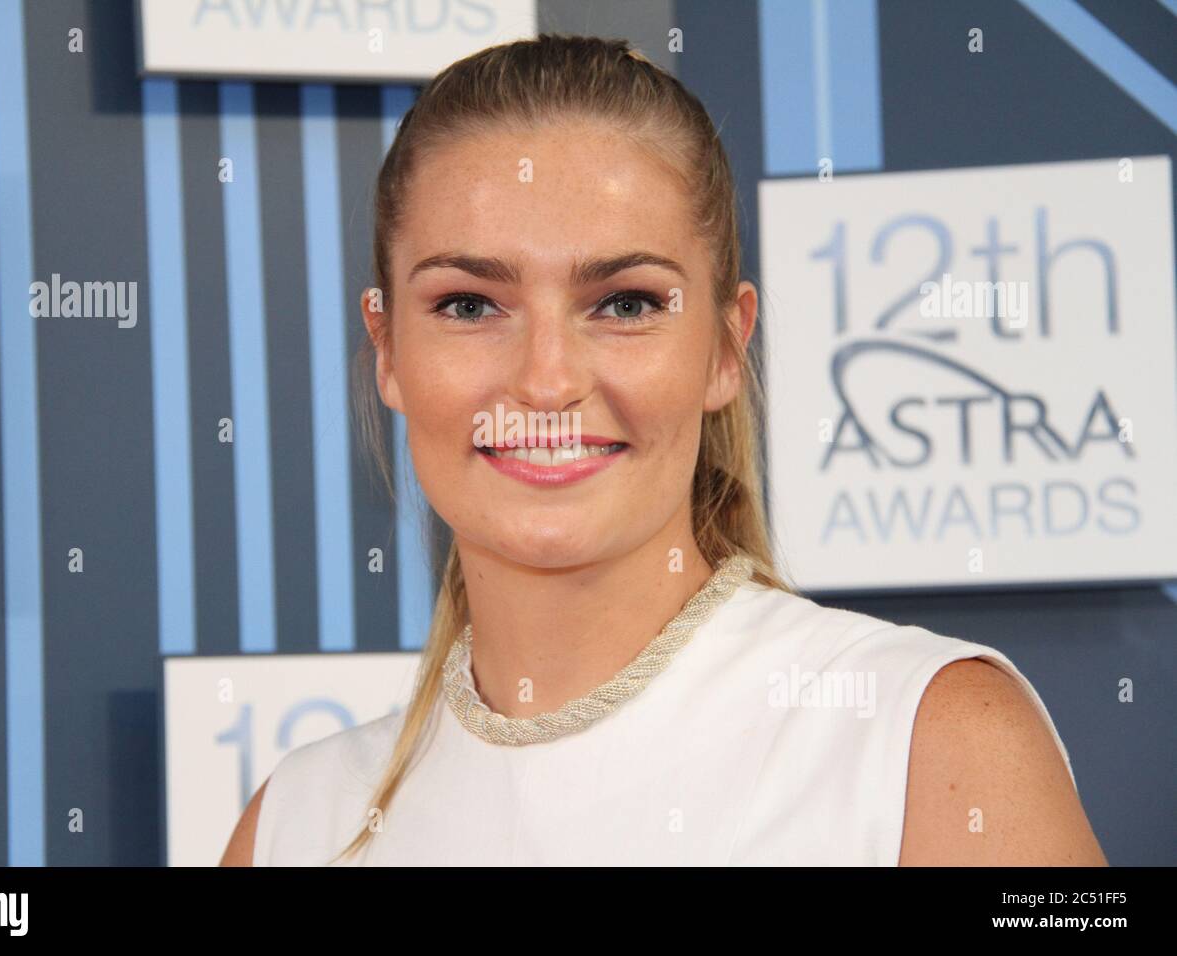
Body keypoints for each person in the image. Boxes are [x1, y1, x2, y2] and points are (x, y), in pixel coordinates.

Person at [221, 34, 1106, 866]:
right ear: (386, 350)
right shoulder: (299, 821)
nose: (546, 381)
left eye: (627, 302)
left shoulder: (931, 738)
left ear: (726, 346)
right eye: (468, 304)